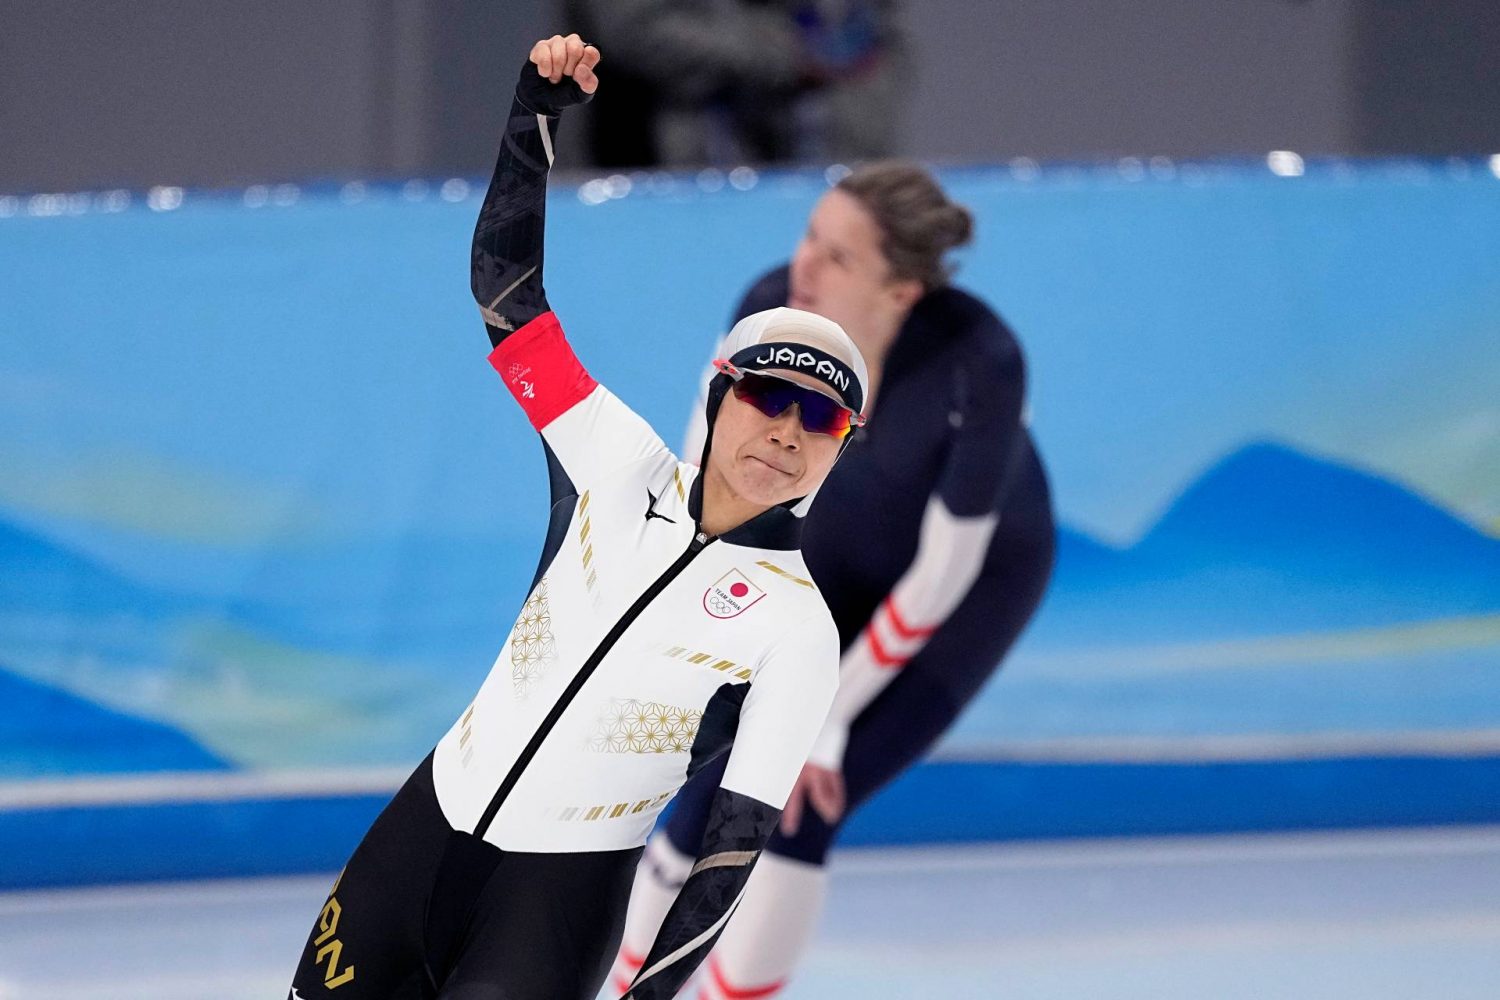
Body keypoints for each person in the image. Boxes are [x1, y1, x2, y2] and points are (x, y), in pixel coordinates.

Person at [287, 34, 869, 1000]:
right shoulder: (613, 458)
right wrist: (533, 119)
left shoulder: (797, 627)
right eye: (772, 396)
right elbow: (507, 301)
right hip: (419, 838)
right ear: (720, 394)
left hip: (553, 906)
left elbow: (732, 848)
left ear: (839, 449)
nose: (789, 430)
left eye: (822, 418)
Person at [610, 163, 1057, 998]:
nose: (802, 267)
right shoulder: (770, 309)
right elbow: (709, 485)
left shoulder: (980, 364)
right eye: (810, 234)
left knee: (802, 804)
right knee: (704, 785)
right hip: (835, 547)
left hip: (972, 580)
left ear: (900, 292)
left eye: (838, 258)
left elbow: (945, 568)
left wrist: (831, 718)